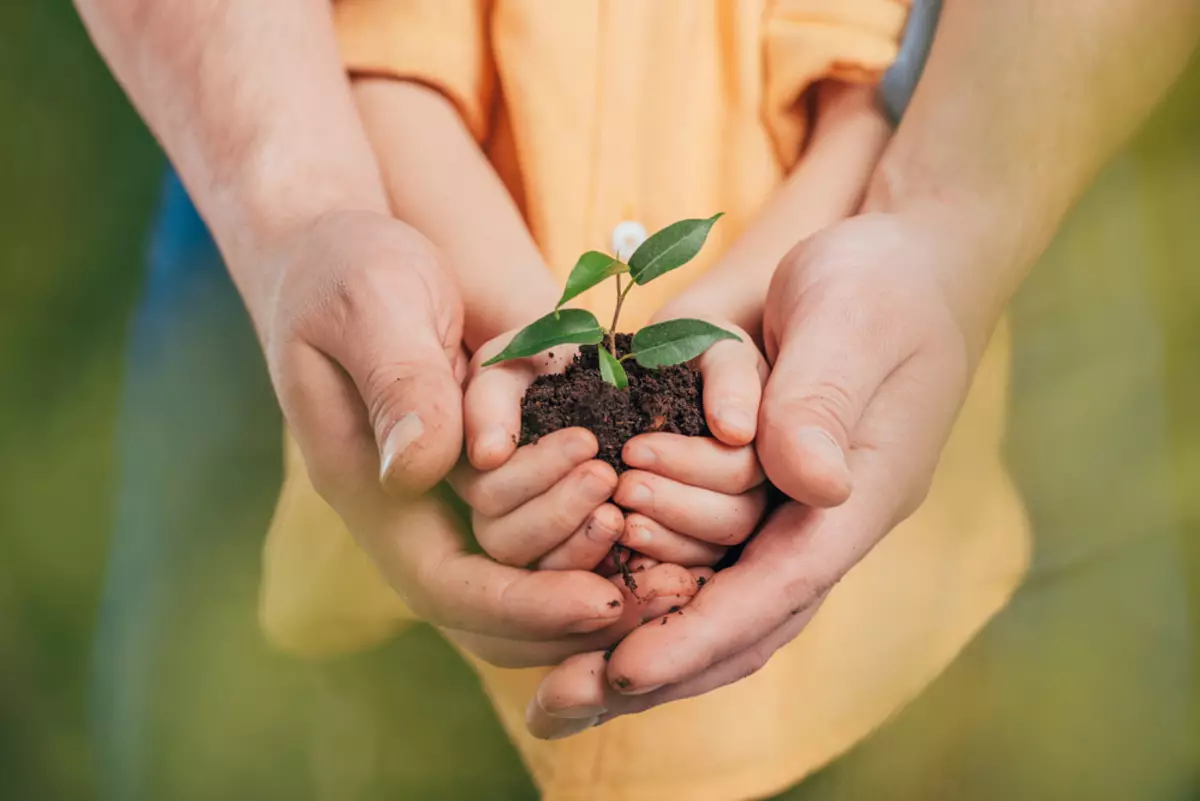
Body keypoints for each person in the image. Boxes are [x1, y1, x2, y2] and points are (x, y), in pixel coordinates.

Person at [76, 1, 1199, 800]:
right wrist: (315, 219)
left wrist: (924, 236)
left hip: (890, 518)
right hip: (311, 150)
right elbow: (384, 55)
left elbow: (871, 93)